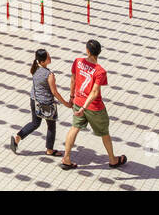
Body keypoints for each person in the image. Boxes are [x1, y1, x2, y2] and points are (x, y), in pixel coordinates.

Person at [60, 39, 127, 169]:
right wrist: (85, 107)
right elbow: (95, 92)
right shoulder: (100, 71)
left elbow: (73, 80)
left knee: (74, 128)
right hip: (94, 107)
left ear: (87, 51)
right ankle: (113, 160)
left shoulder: (77, 62)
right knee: (104, 133)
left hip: (78, 102)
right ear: (99, 52)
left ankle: (66, 158)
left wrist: (72, 97)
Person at [11, 48, 69, 156]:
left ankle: (18, 138)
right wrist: (66, 103)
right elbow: (54, 92)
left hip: (34, 100)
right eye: (48, 57)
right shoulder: (49, 74)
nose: (50, 57)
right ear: (42, 61)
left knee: (35, 123)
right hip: (46, 104)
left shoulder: (35, 68)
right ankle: (49, 150)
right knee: (51, 126)